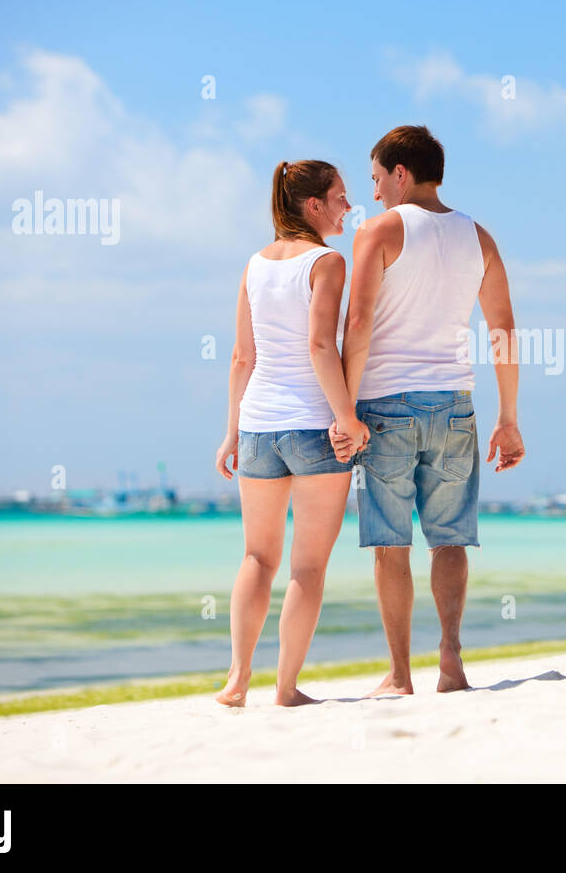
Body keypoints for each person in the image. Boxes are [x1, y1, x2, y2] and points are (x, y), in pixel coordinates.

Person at [329, 125, 525, 694]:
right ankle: (452, 661)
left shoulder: (378, 231)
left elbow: (358, 324)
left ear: (400, 173)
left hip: (386, 404)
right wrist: (507, 418)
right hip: (456, 404)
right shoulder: (479, 236)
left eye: (375, 180)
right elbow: (504, 330)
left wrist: (344, 410)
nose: (373, 194)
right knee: (451, 539)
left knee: (391, 543)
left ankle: (398, 675)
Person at [213, 160, 371, 708]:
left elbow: (241, 357)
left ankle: (236, 679)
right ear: (314, 206)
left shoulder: (254, 265)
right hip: (313, 429)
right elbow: (321, 346)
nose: (349, 208)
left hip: (257, 426)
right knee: (307, 566)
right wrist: (347, 417)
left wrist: (231, 434)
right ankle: (284, 688)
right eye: (341, 198)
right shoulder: (327, 261)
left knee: (257, 558)